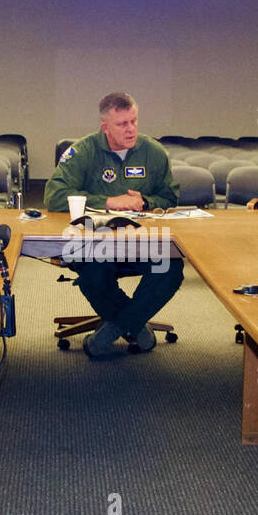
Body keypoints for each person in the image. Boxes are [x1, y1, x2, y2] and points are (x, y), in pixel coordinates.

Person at [43, 92, 183, 358]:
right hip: (98, 244)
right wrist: (110, 201)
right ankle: (136, 329)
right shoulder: (83, 151)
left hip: (141, 243)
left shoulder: (154, 153)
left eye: (134, 121)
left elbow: (169, 198)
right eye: (122, 124)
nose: (130, 129)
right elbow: (54, 197)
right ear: (105, 127)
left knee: (171, 268)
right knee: (92, 274)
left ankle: (117, 327)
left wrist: (146, 200)